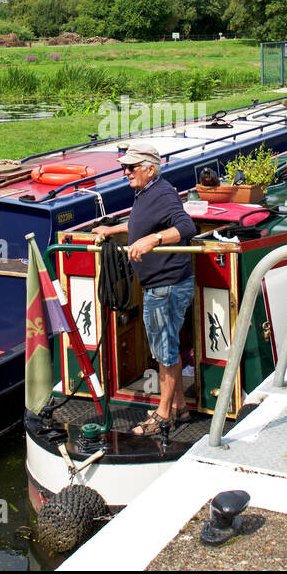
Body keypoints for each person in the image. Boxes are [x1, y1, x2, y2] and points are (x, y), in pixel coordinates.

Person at [93, 143, 196, 436]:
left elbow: (186, 227)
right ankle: (179, 408)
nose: (125, 172)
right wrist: (113, 231)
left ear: (150, 169)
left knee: (164, 350)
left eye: (131, 167)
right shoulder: (146, 192)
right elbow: (141, 224)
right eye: (124, 167)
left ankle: (163, 416)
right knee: (168, 348)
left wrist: (154, 240)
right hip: (161, 285)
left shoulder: (162, 193)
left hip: (166, 286)